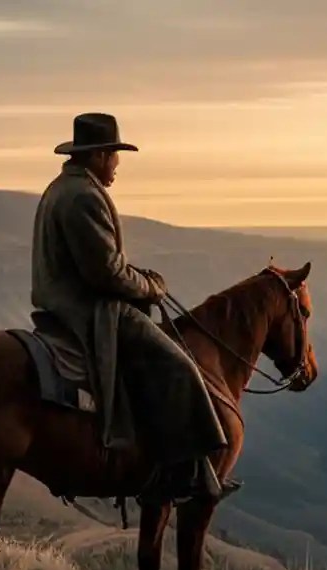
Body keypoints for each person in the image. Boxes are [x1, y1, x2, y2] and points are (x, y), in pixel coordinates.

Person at [30, 112, 240, 503]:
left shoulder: (60, 188)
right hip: (91, 311)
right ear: (98, 155)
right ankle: (185, 473)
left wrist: (137, 275)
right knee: (179, 366)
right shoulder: (84, 196)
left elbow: (99, 262)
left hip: (65, 303)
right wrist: (150, 289)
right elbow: (105, 274)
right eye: (114, 155)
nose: (117, 165)